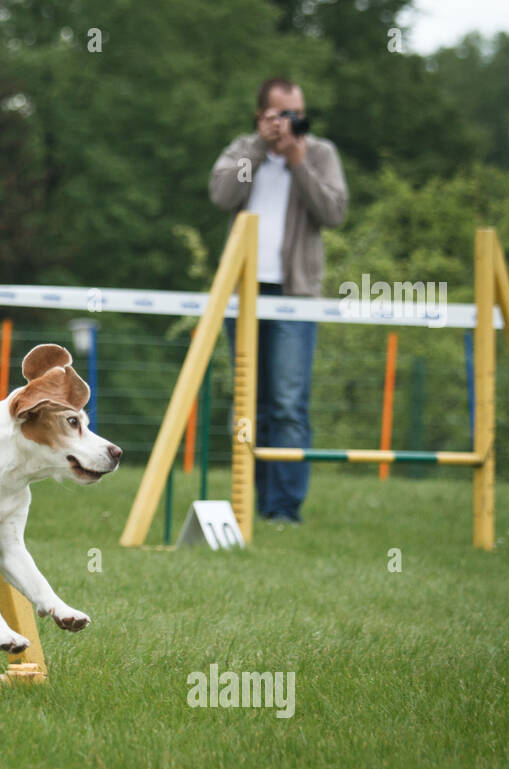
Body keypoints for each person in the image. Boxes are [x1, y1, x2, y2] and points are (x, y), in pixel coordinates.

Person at [209, 77, 348, 524]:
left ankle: (284, 508)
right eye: (280, 114)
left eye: (296, 113)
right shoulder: (242, 149)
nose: (290, 122)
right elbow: (221, 194)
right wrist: (258, 151)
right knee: (250, 401)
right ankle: (249, 499)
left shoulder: (319, 153)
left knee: (288, 401)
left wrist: (297, 162)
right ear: (261, 115)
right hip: (243, 293)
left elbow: (334, 213)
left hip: (295, 294)